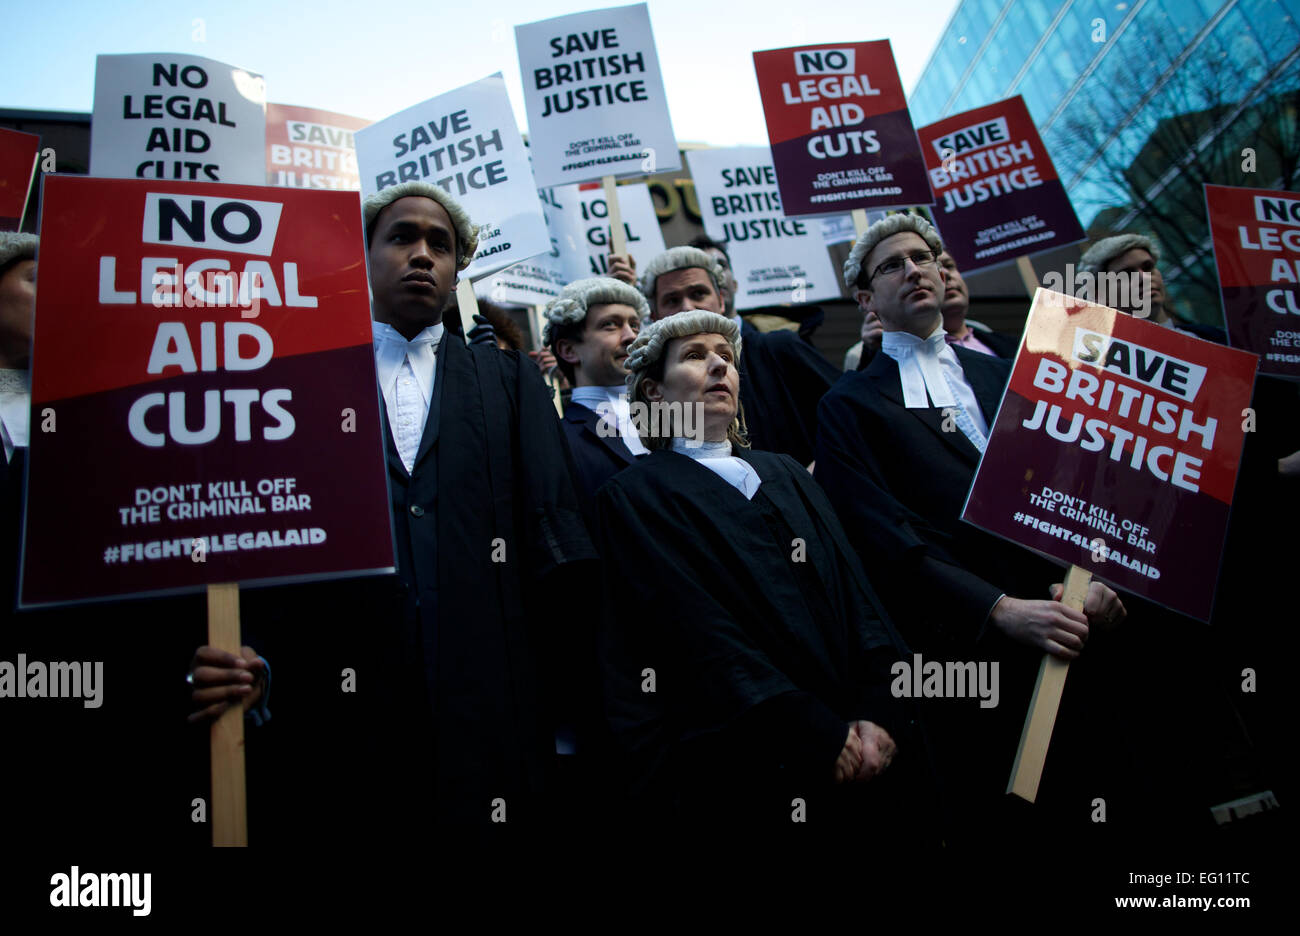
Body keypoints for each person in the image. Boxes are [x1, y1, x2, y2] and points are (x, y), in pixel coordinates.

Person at [185, 181, 597, 842]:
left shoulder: (511, 379)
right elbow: (267, 537)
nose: (423, 254)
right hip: (340, 707)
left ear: (459, 267)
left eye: (441, 243)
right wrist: (260, 660)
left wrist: (565, 694)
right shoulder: (295, 380)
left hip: (491, 706)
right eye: (402, 236)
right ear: (363, 256)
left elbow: (556, 542)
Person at [814, 214, 1129, 841]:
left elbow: (1085, 485)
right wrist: (998, 610)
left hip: (1081, 626)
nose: (913, 271)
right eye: (891, 266)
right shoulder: (847, 404)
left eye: (923, 257)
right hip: (974, 659)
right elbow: (885, 538)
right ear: (865, 300)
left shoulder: (1014, 369)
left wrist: (1097, 577)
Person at [593, 309, 924, 840]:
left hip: (866, 746)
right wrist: (812, 731)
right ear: (653, 392)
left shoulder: (789, 473)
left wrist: (877, 711)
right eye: (696, 357)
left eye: (726, 357)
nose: (719, 366)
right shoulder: (634, 497)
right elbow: (696, 633)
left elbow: (860, 599)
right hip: (755, 766)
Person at [638, 243, 839, 466]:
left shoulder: (779, 348)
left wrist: (812, 474)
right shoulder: (653, 383)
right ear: (655, 316)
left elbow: (848, 413)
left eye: (698, 293)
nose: (688, 307)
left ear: (721, 301)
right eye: (672, 300)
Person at [544, 276, 649, 500]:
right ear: (568, 350)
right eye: (610, 325)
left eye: (635, 325)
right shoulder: (554, 443)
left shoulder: (675, 420)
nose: (631, 336)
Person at [848, 249, 1017, 370]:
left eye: (949, 266)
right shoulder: (868, 355)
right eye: (893, 266)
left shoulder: (1008, 344)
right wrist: (875, 352)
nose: (945, 274)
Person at [1078, 234, 1226, 341]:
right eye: (1127, 274)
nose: (1144, 277)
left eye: (1148, 267)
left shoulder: (1221, 339)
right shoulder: (1103, 373)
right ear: (1098, 295)